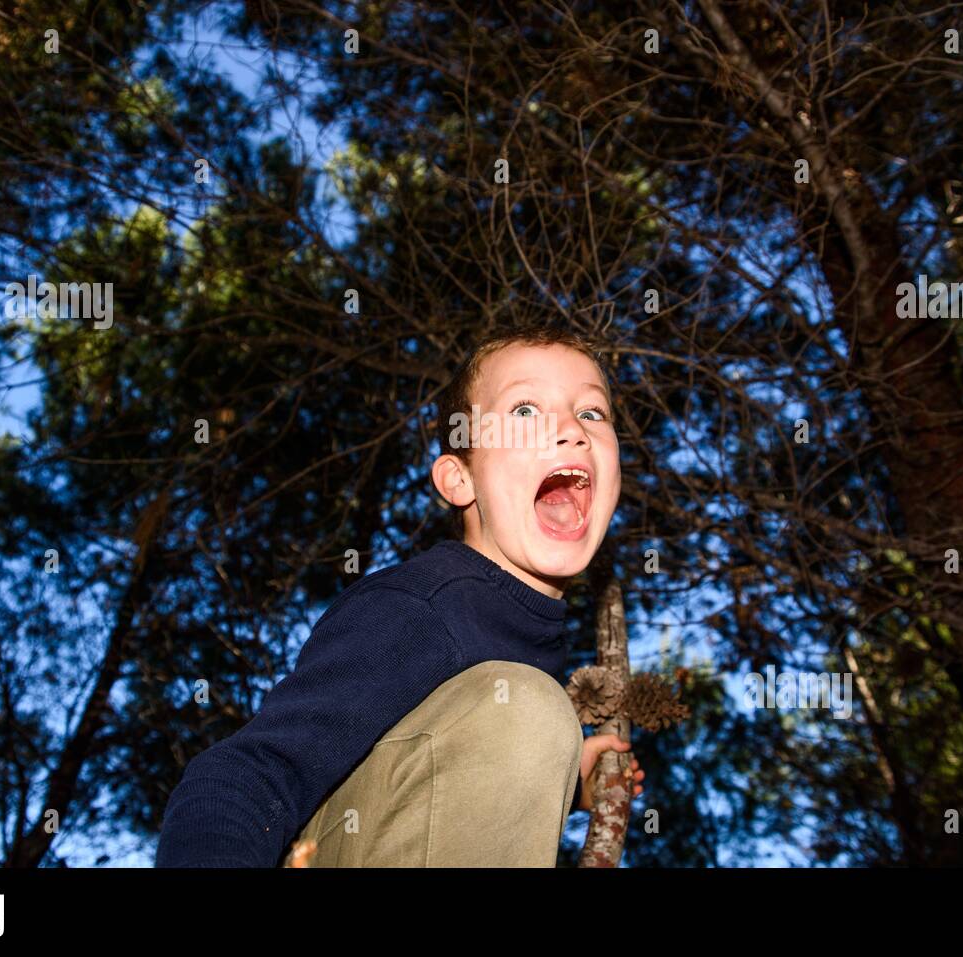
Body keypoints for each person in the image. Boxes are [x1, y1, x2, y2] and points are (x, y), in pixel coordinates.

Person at [156, 327, 644, 867]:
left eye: (593, 413)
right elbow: (247, 774)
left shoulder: (533, 637)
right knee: (529, 708)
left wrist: (560, 774)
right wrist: (537, 729)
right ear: (459, 480)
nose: (572, 430)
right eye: (525, 411)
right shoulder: (422, 608)